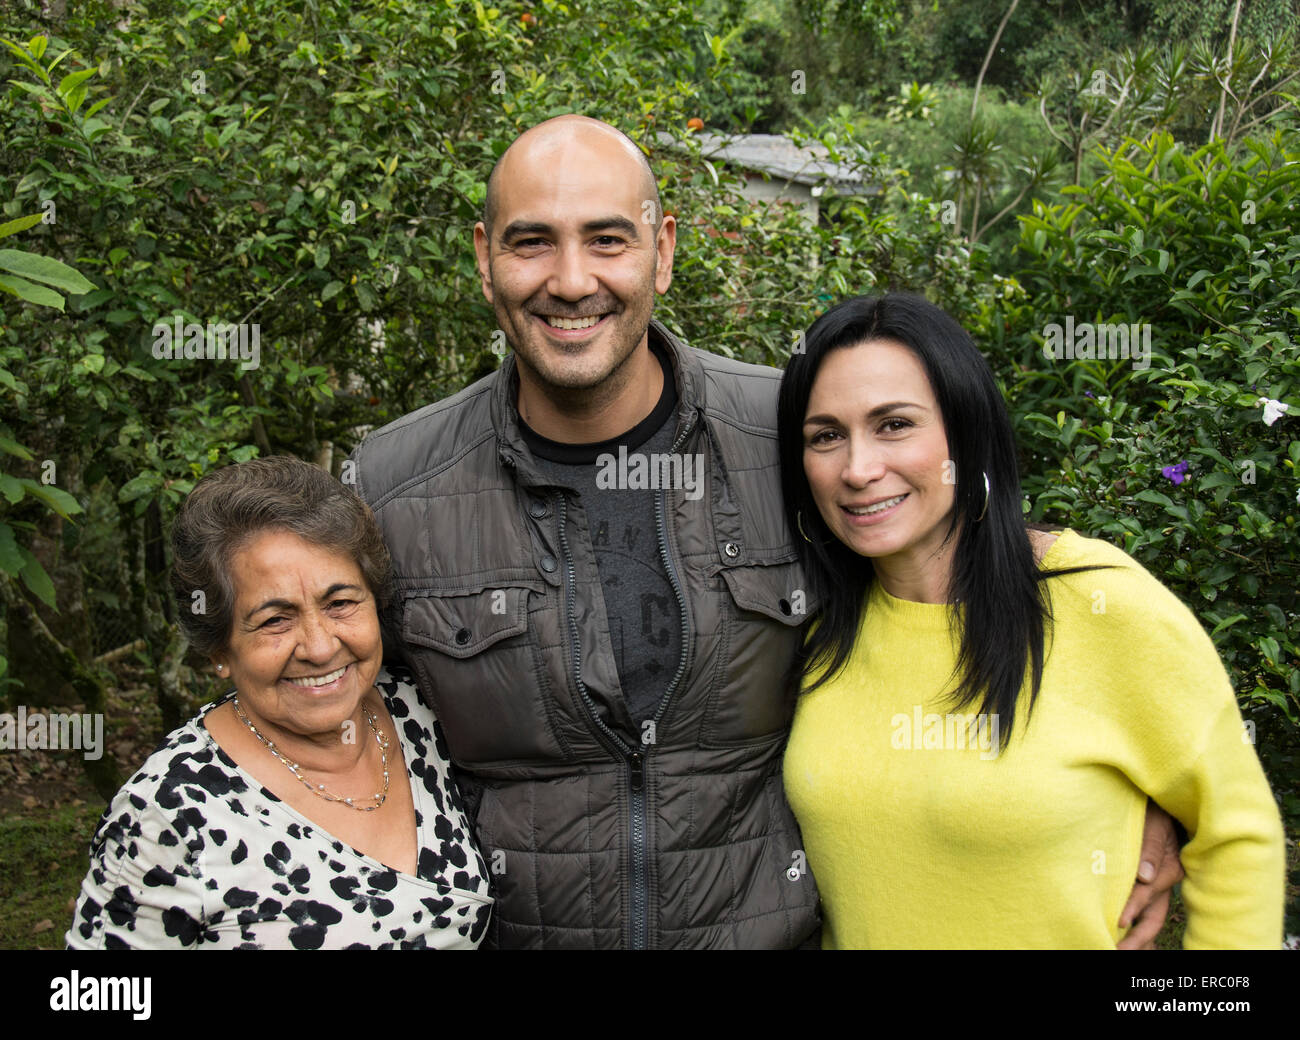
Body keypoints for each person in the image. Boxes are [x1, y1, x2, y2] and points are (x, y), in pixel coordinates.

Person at [350, 114, 1184, 949]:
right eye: (532, 242)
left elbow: (959, 579)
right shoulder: (395, 485)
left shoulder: (792, 435)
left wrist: (1132, 790)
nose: (571, 280)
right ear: (484, 259)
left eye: (608, 239)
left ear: (663, 251)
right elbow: (327, 717)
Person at [777, 292, 1286, 948]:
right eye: (826, 436)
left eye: (895, 424)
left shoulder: (1095, 600)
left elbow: (1238, 832)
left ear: (966, 431)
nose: (859, 469)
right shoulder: (816, 626)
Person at [67, 456, 492, 949]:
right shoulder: (167, 815)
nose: (319, 646)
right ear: (218, 649)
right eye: (275, 620)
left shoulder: (416, 710)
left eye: (340, 604)